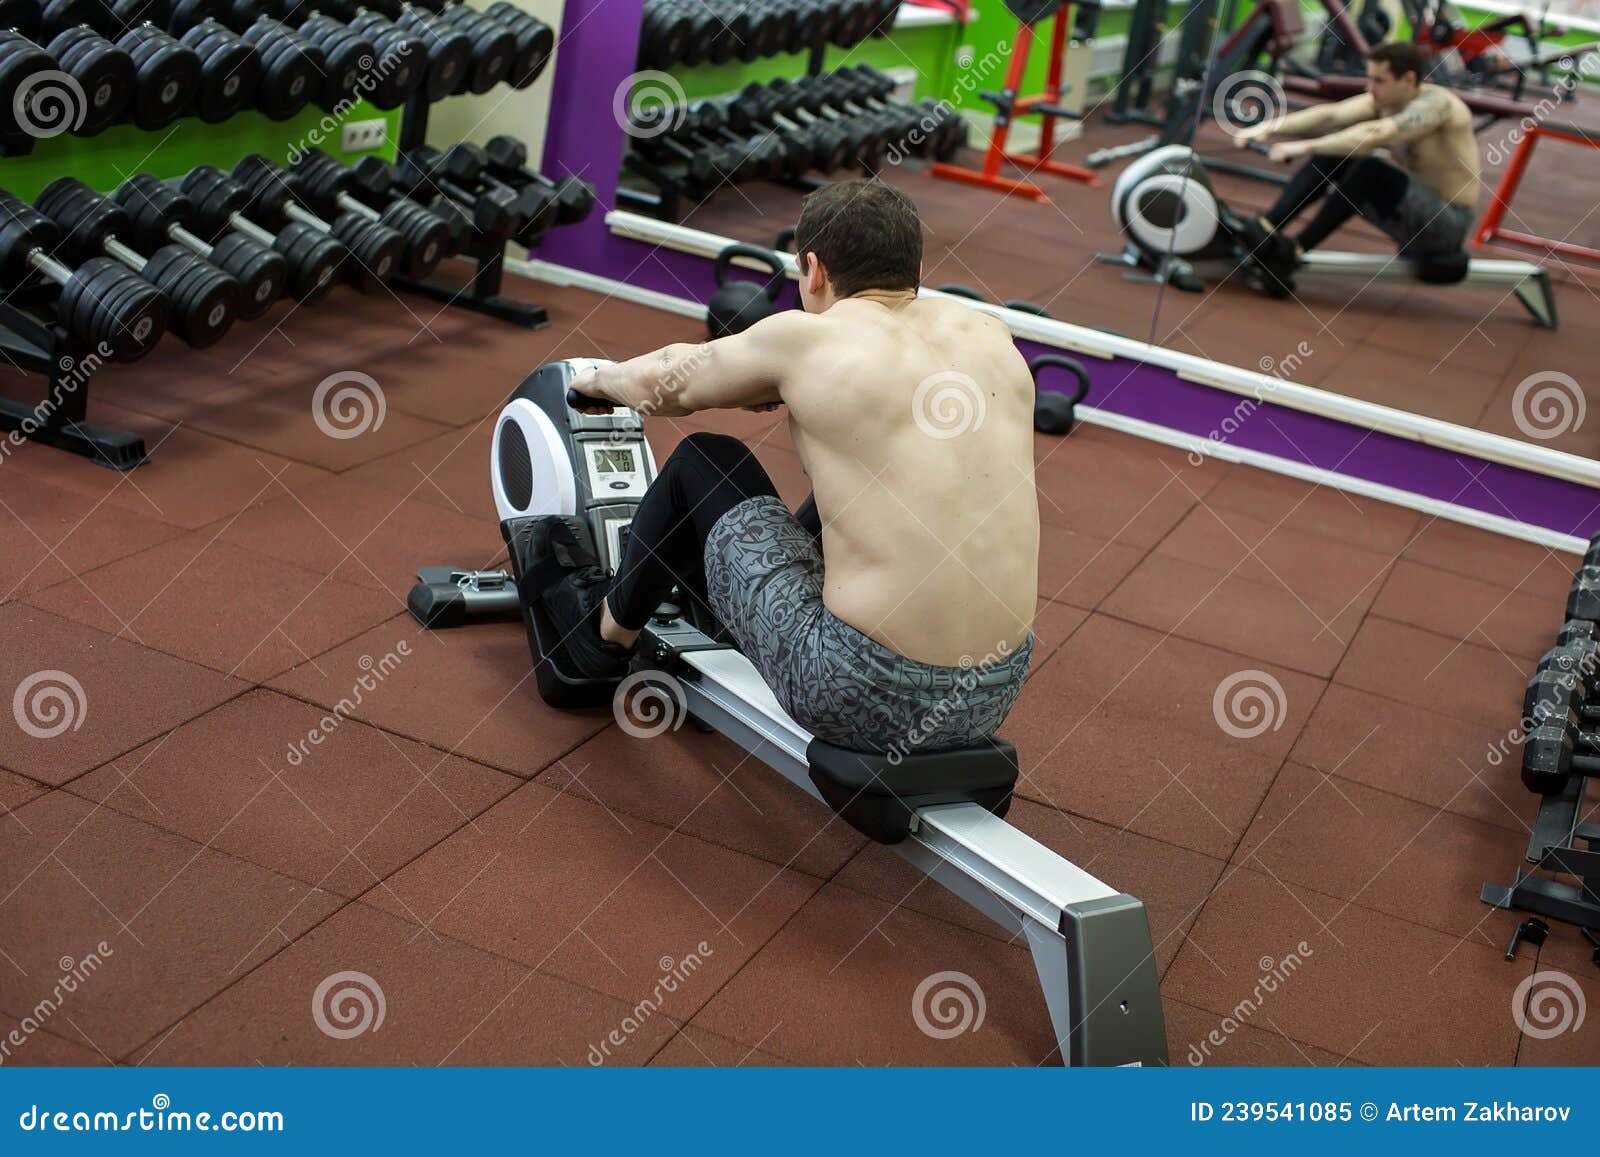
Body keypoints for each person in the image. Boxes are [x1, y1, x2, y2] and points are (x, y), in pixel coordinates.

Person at [520, 179, 1039, 753]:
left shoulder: (806, 339)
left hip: (860, 691)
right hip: (995, 691)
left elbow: (668, 379)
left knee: (706, 461)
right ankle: (720, 605)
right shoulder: (989, 332)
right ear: (913, 264)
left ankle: (600, 641)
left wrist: (592, 382)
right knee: (877, 483)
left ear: (813, 269)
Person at [1233, 40, 1481, 294]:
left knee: (1369, 168)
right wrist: (1267, 128)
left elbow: (1376, 135)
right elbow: (1330, 115)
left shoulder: (1438, 105)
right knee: (1337, 152)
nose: (1369, 88)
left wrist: (1301, 148)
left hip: (1446, 228)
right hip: (1409, 217)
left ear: (1408, 79)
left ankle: (1293, 252)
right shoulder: (1385, 100)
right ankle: (1268, 226)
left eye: (1379, 81)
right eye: (1370, 79)